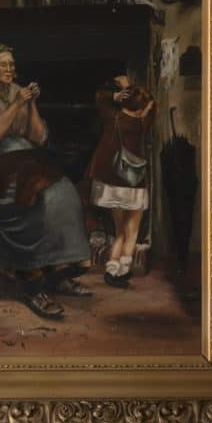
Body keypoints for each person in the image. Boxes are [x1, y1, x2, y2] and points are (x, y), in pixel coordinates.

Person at [0, 42, 90, 320]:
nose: (10, 69)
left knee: (63, 190)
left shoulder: (16, 90)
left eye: (12, 64)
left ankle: (58, 273)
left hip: (21, 159)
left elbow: (39, 138)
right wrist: (16, 105)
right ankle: (32, 284)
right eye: (3, 64)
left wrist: (31, 104)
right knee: (31, 198)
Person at [85, 72, 156, 283]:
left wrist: (117, 95)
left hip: (112, 185)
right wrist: (130, 87)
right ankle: (123, 270)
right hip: (133, 183)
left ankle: (111, 268)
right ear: (141, 109)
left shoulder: (112, 118)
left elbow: (99, 98)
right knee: (132, 231)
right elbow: (152, 104)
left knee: (118, 232)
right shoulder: (141, 123)